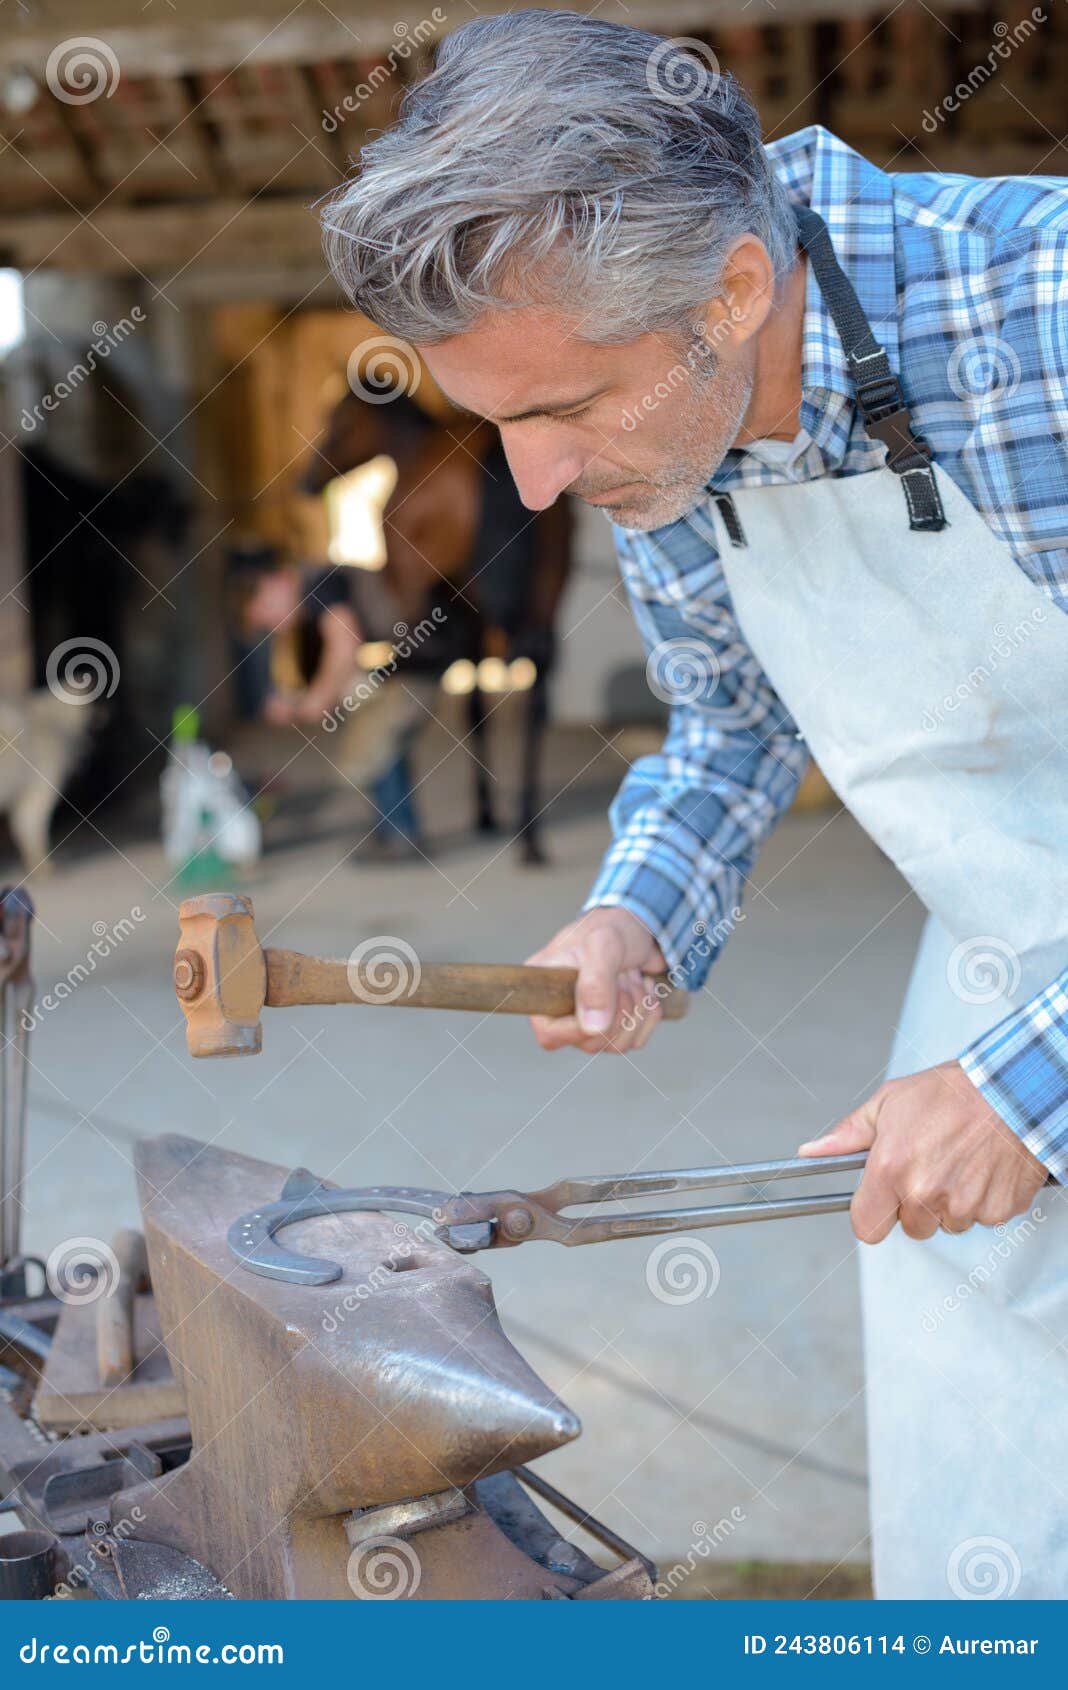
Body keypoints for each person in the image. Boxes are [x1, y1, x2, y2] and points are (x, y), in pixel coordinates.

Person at [319, 11, 1068, 1597]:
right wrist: (638, 903)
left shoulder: (1041, 307)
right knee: (986, 1447)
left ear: (733, 291)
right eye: (497, 421)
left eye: (565, 410)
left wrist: (1030, 1081)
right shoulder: (671, 418)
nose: (532, 485)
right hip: (1007, 949)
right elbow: (731, 719)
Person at [239, 557, 425, 859]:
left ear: (272, 584)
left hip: (423, 657)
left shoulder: (319, 584)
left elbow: (345, 643)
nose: (274, 625)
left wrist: (316, 700)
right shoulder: (313, 591)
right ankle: (394, 829)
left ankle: (400, 833)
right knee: (373, 725)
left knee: (376, 729)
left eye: (267, 613)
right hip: (411, 660)